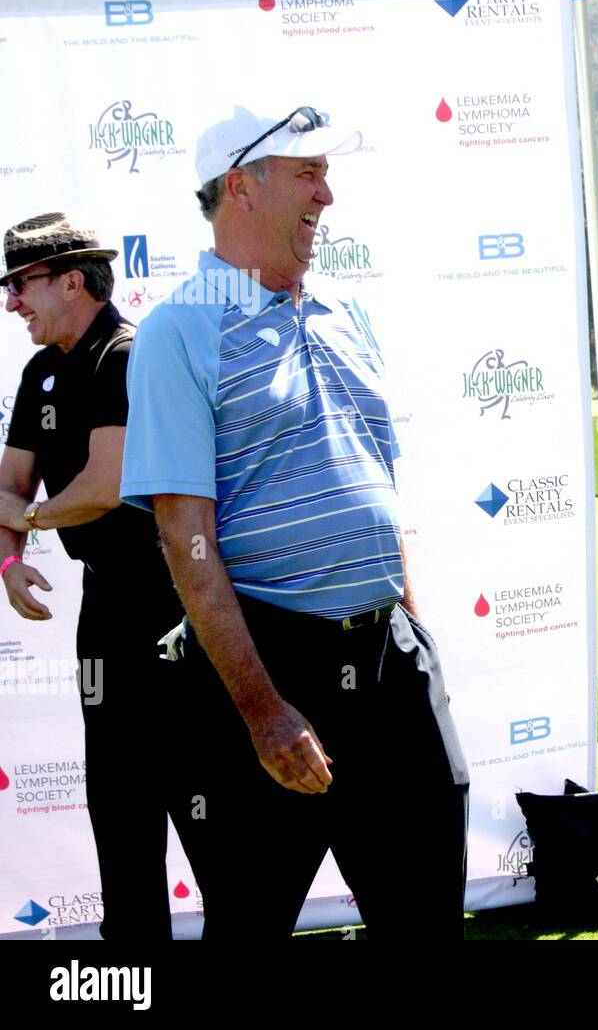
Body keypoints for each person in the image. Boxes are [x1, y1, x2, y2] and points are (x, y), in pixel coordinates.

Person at [119, 105, 469, 940]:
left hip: (391, 662)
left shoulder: (346, 310)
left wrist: (414, 630)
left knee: (427, 925)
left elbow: (373, 486)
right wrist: (264, 709)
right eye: (308, 172)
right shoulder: (179, 328)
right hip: (271, 668)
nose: (329, 193)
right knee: (250, 929)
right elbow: (185, 536)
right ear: (242, 186)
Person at [0, 212, 187, 939]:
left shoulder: (126, 355)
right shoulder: (40, 370)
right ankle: (132, 953)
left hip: (177, 597)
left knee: (196, 790)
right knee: (117, 793)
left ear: (71, 280)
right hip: (106, 599)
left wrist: (31, 520)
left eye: (20, 283)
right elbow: (12, 482)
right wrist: (12, 561)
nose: (12, 301)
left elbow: (105, 487)